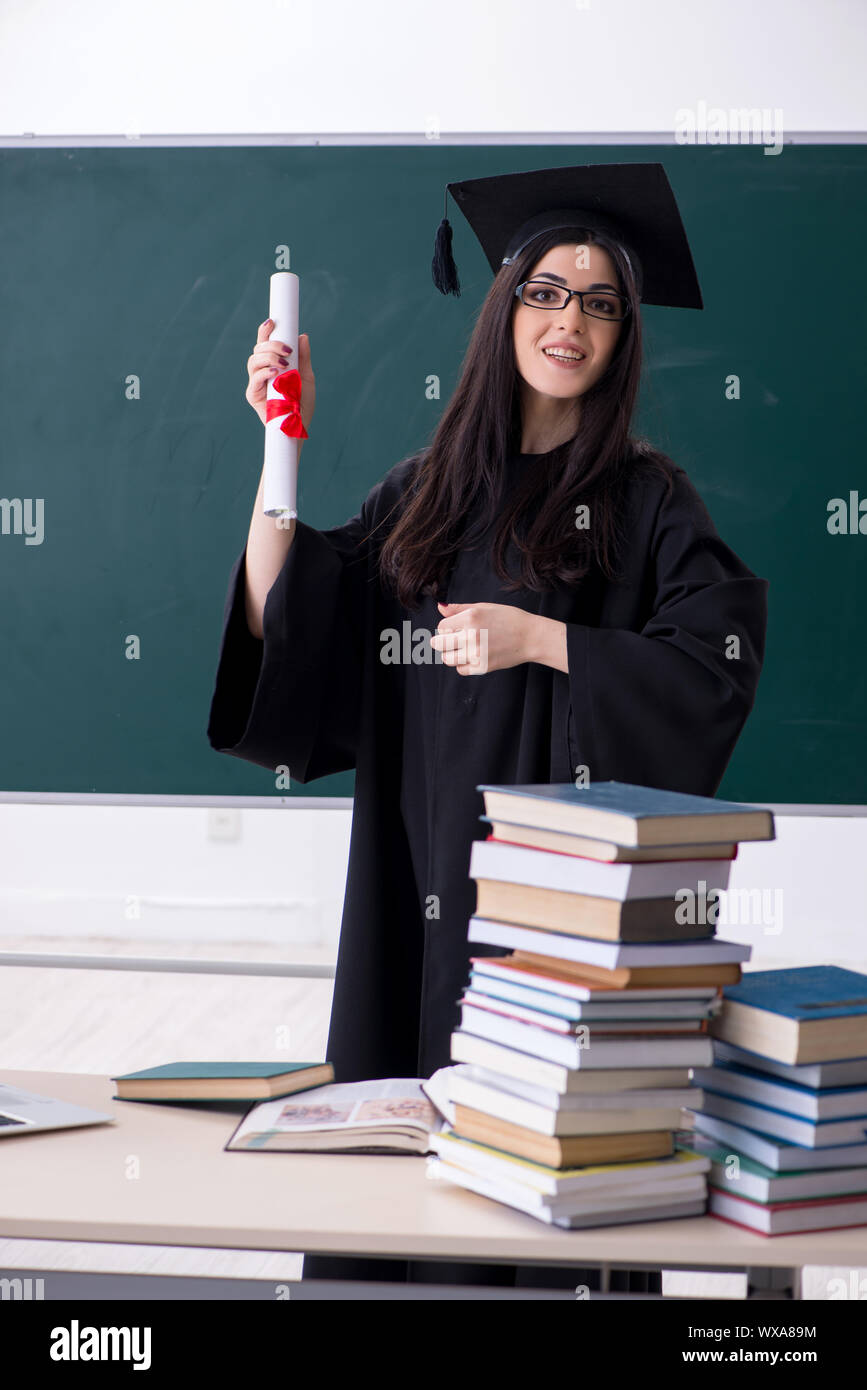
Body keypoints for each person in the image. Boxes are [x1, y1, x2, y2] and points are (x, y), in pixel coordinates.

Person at [207, 162, 769, 1290]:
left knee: (542, 1215)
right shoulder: (425, 492)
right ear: (504, 303)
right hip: (410, 902)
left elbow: (717, 665)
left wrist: (543, 639)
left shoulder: (650, 502)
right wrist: (280, 454)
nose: (571, 319)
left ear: (622, 335)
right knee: (395, 1205)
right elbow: (291, 621)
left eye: (601, 300)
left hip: (558, 932)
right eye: (547, 290)